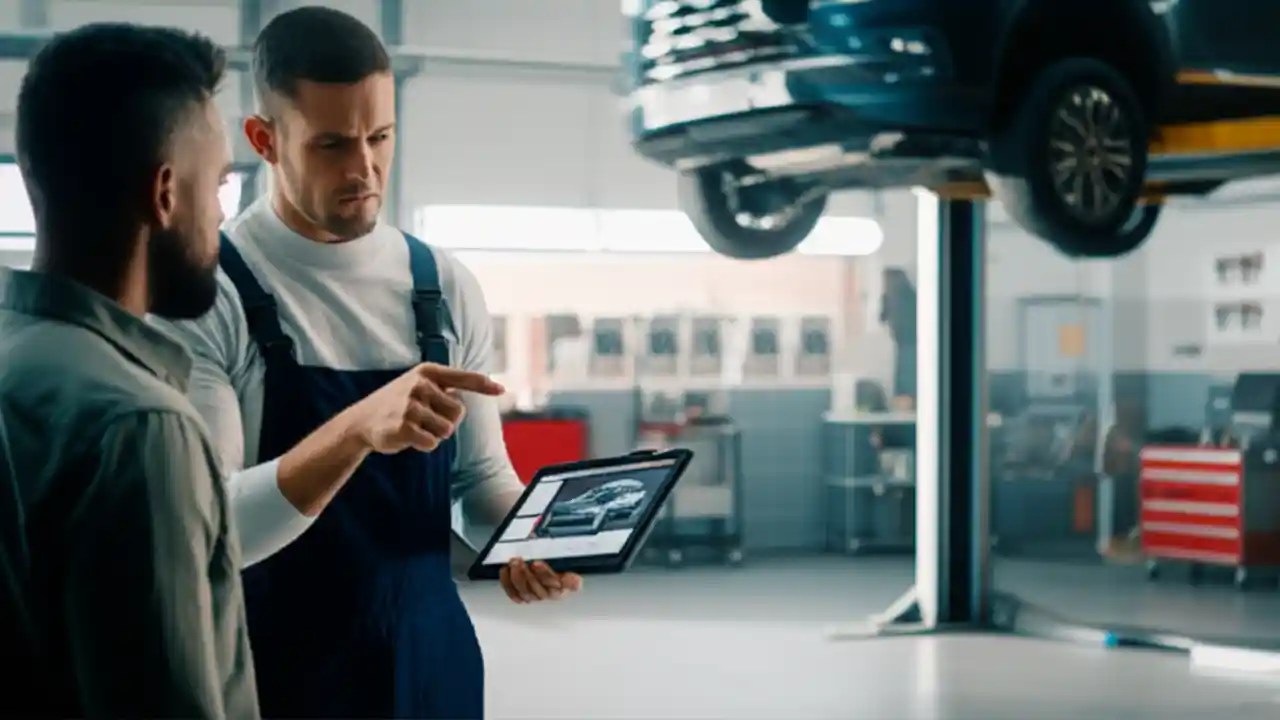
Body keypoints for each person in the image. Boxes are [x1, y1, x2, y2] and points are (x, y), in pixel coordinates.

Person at [154, 6, 582, 719]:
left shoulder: (442, 286)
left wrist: (521, 544)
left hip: (431, 663)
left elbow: (478, 481)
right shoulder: (210, 292)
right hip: (279, 673)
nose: (364, 169)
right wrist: (356, 430)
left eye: (379, 137)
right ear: (264, 139)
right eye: (330, 144)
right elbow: (216, 529)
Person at [0, 23, 258, 718]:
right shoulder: (140, 426)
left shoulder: (13, 358)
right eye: (219, 185)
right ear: (165, 194)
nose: (220, 215)